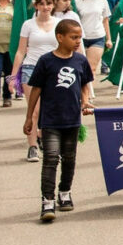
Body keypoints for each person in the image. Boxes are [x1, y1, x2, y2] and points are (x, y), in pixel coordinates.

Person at [23, 19, 93, 223]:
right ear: (59, 37)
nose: (78, 41)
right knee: (51, 158)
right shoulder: (46, 61)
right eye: (73, 37)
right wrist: (30, 118)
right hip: (50, 120)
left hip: (72, 121)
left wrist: (85, 102)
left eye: (79, 37)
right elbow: (36, 89)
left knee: (69, 159)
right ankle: (47, 201)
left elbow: (84, 85)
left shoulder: (80, 60)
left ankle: (65, 192)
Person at [12, 0, 60, 162]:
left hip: (54, 70)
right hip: (31, 68)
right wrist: (13, 76)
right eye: (41, 4)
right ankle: (32, 147)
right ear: (36, 6)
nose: (45, 7)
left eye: (48, 4)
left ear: (53, 5)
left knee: (50, 110)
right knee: (35, 110)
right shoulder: (28, 25)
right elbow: (20, 51)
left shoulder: (59, 24)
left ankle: (47, 142)